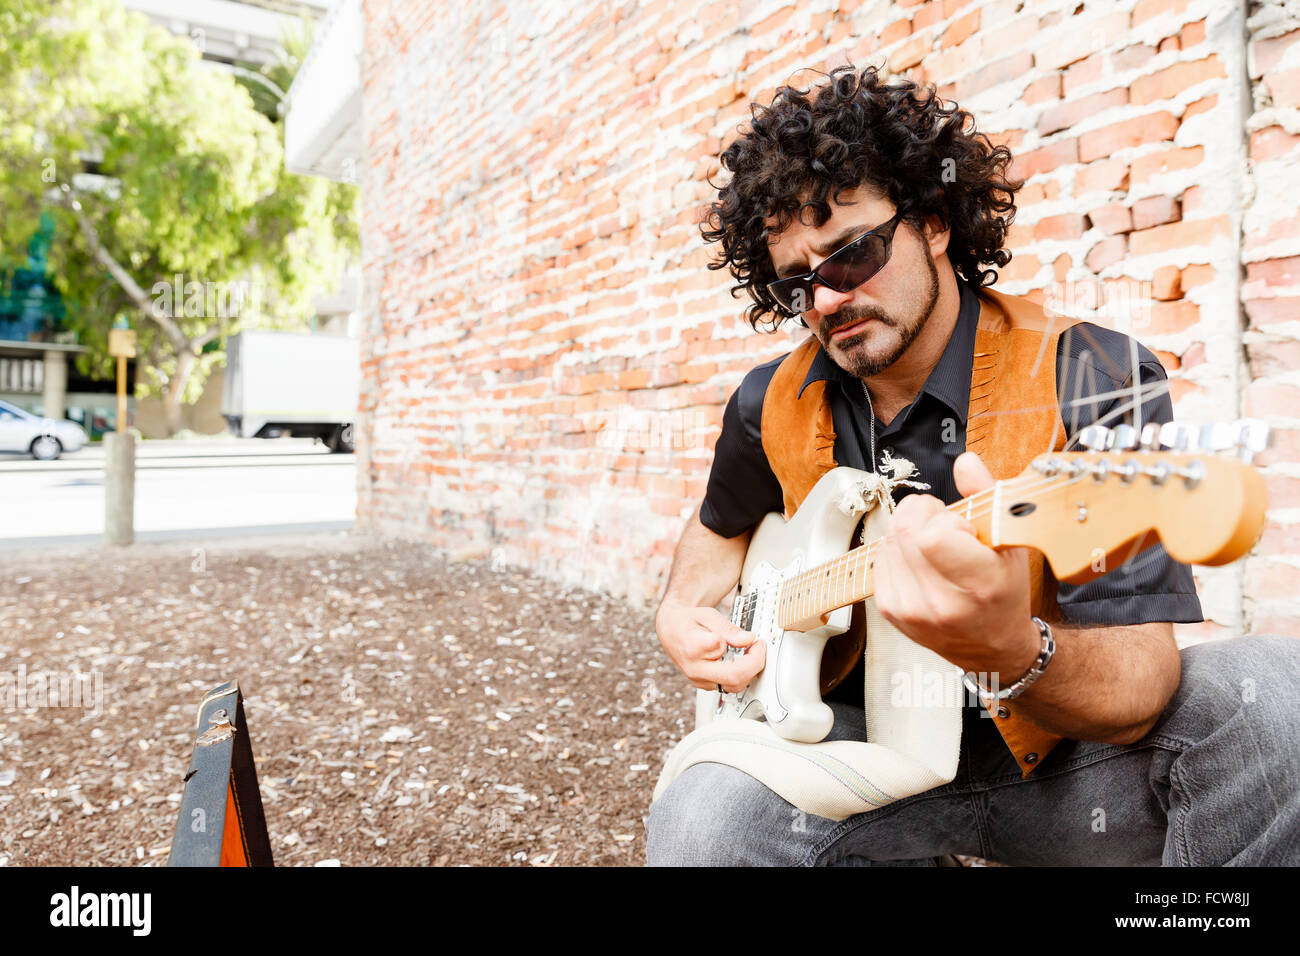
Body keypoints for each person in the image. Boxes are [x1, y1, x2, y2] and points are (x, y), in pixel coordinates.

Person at [646, 65, 1300, 866]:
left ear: (934, 224)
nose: (823, 303)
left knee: (1274, 694)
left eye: (848, 258)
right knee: (701, 821)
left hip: (1064, 764)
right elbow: (719, 529)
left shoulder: (1094, 374)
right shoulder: (768, 401)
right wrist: (680, 612)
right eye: (797, 285)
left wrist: (1010, 649)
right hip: (847, 751)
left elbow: (1138, 686)